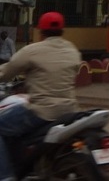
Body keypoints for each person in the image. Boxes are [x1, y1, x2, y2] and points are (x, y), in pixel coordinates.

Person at [0, 12, 81, 181]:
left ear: (40, 31)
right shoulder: (72, 50)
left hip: (42, 111)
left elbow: (6, 72)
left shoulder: (33, 50)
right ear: (62, 31)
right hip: (70, 110)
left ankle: (6, 176)